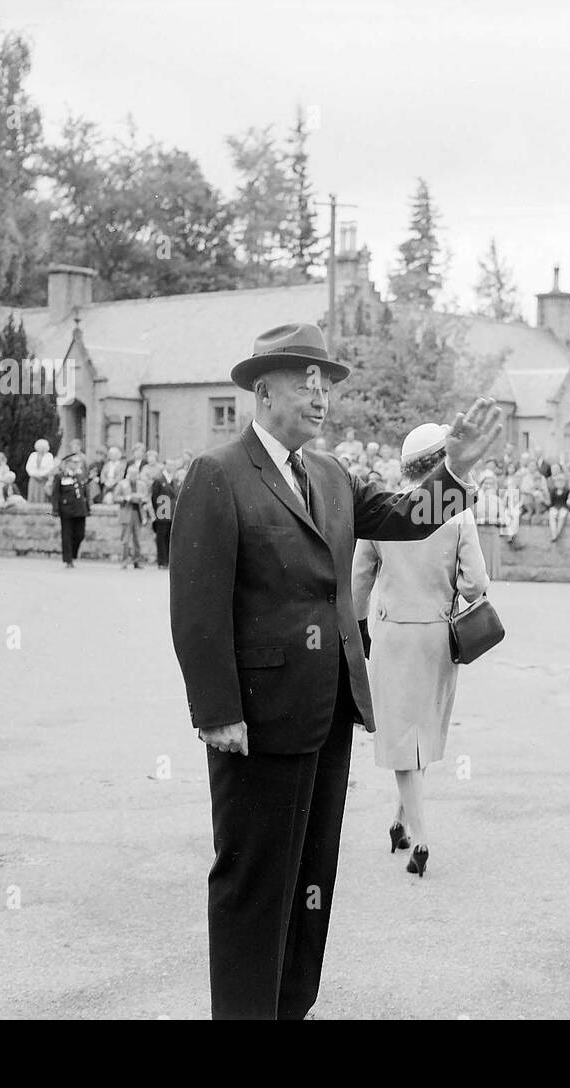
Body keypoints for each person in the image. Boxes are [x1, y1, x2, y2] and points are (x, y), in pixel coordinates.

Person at [168, 321, 501, 1020]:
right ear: (263, 391)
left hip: (328, 711)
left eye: (326, 382)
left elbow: (410, 518)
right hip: (254, 720)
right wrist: (216, 709)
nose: (321, 395)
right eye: (305, 380)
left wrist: (457, 471)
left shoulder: (330, 475)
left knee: (311, 875)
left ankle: (293, 1006)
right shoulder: (218, 474)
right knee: (254, 880)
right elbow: (197, 607)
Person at [351, 422, 490, 879]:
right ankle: (399, 821)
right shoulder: (457, 513)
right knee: (419, 733)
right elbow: (475, 585)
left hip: (392, 634)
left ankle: (421, 836)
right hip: (438, 636)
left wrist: (357, 625)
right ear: (441, 461)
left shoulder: (384, 511)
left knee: (400, 737)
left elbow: (359, 579)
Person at [48, 453, 90, 567]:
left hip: (80, 509)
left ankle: (73, 554)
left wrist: (88, 508)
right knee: (67, 535)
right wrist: (55, 509)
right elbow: (55, 494)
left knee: (80, 535)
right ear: (67, 463)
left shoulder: (80, 476)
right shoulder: (60, 476)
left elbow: (85, 493)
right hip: (66, 509)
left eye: (78, 462)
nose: (76, 464)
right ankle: (68, 559)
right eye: (74, 462)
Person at [150, 460, 177, 569]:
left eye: (173, 465)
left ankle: (168, 561)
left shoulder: (173, 480)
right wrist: (157, 512)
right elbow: (154, 497)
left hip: (171, 513)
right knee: (161, 537)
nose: (171, 467)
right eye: (169, 465)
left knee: (169, 538)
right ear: (165, 466)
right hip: (162, 513)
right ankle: (162, 561)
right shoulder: (159, 480)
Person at [25, 439, 56, 504]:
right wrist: (34, 475)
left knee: (42, 497)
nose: (42, 449)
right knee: (33, 496)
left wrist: (41, 475)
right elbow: (28, 467)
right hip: (33, 479)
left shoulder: (49, 456)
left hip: (43, 479)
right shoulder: (33, 455)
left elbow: (50, 468)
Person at [547, 462, 570, 542]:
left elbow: (568, 501)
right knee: (552, 515)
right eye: (558, 481)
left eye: (561, 481)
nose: (560, 483)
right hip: (555, 506)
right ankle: (554, 533)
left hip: (563, 507)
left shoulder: (566, 491)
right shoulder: (553, 491)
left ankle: (557, 532)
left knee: (562, 516)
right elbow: (551, 502)